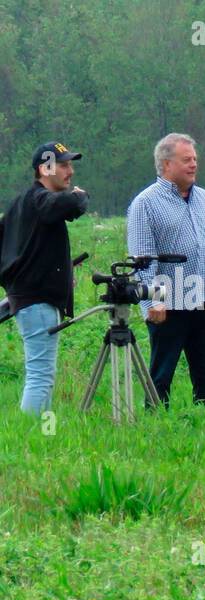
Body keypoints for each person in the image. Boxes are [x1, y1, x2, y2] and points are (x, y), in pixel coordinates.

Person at [126, 132, 205, 405]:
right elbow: (142, 258)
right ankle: (156, 429)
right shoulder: (146, 203)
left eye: (195, 159)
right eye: (186, 160)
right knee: (161, 376)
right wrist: (152, 302)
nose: (193, 165)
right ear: (166, 164)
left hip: (204, 302)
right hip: (168, 306)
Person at [0, 142, 89, 414]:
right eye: (63, 165)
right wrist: (80, 196)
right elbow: (66, 205)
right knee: (40, 376)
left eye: (70, 164)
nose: (70, 171)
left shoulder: (21, 204)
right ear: (44, 168)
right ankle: (31, 440)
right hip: (37, 303)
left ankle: (42, 437)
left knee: (43, 375)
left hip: (30, 300)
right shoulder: (40, 200)